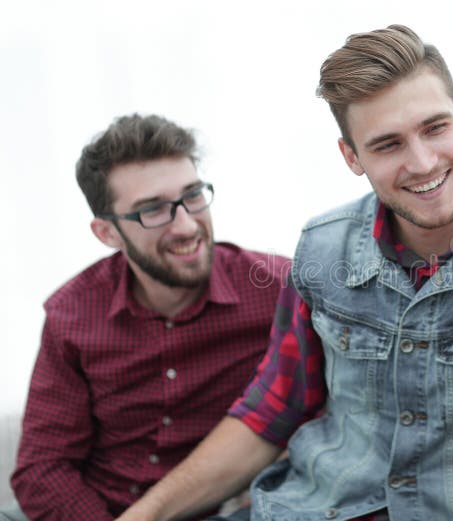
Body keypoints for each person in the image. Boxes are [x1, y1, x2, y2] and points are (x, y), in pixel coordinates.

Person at [117, 25, 453, 521]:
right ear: (351, 157)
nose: (422, 162)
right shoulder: (323, 247)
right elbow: (271, 410)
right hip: (306, 508)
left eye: (434, 128)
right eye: (387, 145)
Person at [3, 114, 289, 521]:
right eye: (152, 210)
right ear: (107, 233)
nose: (187, 225)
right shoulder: (72, 314)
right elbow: (43, 469)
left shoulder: (278, 290)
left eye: (193, 196)